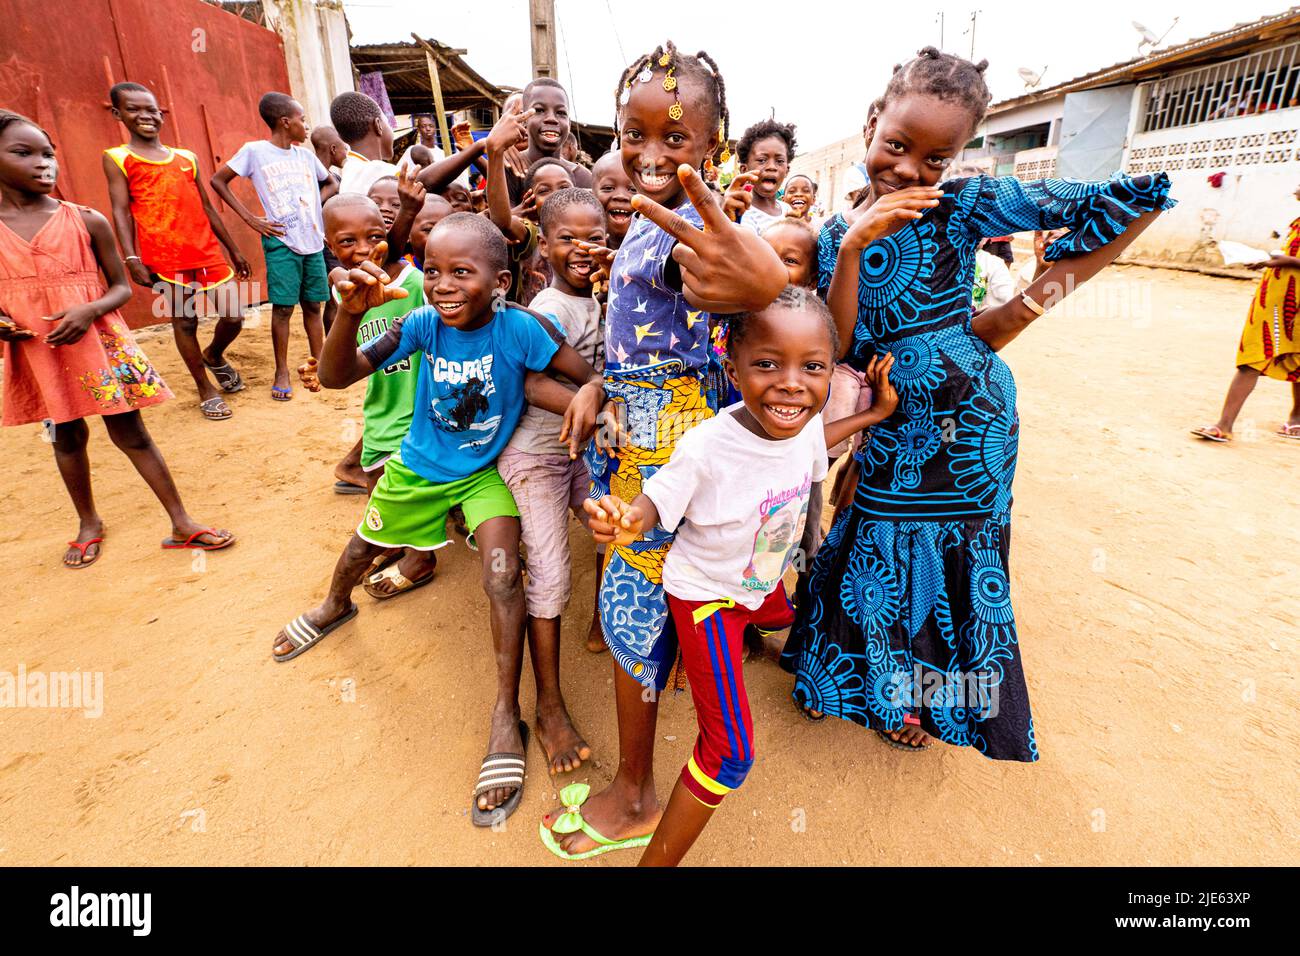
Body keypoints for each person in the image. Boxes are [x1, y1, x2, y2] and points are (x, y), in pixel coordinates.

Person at [781, 47, 1173, 752]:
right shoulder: (836, 235)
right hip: (894, 416)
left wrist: (1036, 301)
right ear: (872, 123)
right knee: (872, 543)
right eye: (897, 146)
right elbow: (836, 346)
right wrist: (851, 249)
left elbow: (1121, 202)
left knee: (949, 569)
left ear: (958, 158)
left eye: (936, 158)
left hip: (973, 424)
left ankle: (921, 705)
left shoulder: (963, 205)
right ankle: (844, 676)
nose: (910, 170)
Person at [538, 40, 788, 860]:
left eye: (674, 139)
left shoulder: (700, 227)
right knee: (648, 603)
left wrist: (758, 284)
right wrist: (599, 387)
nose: (649, 156)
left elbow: (748, 283)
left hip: (672, 456)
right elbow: (645, 342)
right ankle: (639, 777)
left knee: (634, 609)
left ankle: (637, 794)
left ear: (711, 147)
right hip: (639, 436)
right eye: (633, 134)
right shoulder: (651, 221)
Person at [273, 212, 605, 825]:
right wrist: (348, 313)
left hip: (483, 474)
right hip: (420, 467)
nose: (444, 284)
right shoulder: (422, 322)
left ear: (501, 280)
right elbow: (337, 373)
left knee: (505, 574)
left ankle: (508, 714)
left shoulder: (522, 329)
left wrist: (592, 392)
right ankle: (334, 605)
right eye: (433, 271)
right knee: (359, 552)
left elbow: (587, 379)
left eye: (462, 272)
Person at [563, 289, 897, 865]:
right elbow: (654, 502)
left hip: (758, 585)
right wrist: (626, 519)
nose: (792, 383)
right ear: (731, 362)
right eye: (767, 363)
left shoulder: (803, 427)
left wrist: (874, 415)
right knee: (729, 754)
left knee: (791, 617)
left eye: (812, 366)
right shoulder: (707, 445)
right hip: (707, 600)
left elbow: (821, 441)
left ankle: (762, 640)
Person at [0, 110, 235, 568]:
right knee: (66, 437)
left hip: (97, 347)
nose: (43, 163)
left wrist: (89, 309)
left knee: (132, 432)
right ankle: (88, 522)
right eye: (23, 153)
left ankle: (181, 522)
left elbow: (121, 287)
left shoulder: (85, 221)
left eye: (48, 154)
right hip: (40, 351)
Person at [496, 186, 607, 754]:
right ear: (544, 247)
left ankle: (604, 625)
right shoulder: (548, 308)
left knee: (616, 530)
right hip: (538, 457)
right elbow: (532, 384)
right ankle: (549, 707)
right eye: (568, 238)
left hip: (578, 453)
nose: (584, 249)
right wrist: (600, 404)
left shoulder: (603, 299)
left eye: (597, 238)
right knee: (552, 577)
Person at [101, 82, 251, 421]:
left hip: (207, 251)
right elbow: (121, 211)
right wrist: (132, 258)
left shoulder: (186, 158)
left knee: (233, 315)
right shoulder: (118, 158)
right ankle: (205, 389)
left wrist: (233, 249)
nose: (146, 116)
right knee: (185, 322)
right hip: (165, 259)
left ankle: (214, 355)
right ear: (117, 114)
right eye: (134, 109)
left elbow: (208, 209)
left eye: (152, 109)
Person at [210, 91, 333, 403]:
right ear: (285, 121)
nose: (306, 126)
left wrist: (313, 210)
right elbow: (218, 181)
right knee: (282, 308)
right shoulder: (255, 152)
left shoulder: (305, 157)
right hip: (281, 241)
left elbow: (331, 182)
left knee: (313, 306)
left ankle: (321, 362)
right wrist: (251, 219)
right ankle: (282, 371)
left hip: (312, 240)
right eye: (302, 120)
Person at [1192, 183, 1300, 442]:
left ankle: (1297, 419)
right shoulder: (1297, 221)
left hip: (1295, 305)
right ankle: (1224, 425)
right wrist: (1270, 260)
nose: (1296, 187)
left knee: (1297, 358)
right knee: (1252, 355)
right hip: (1273, 300)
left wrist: (1281, 260)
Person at [504, 78, 592, 205]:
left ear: (569, 122)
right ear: (524, 118)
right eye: (539, 110)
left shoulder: (582, 177)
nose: (551, 119)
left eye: (561, 113)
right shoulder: (510, 169)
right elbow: (498, 221)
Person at [330, 92, 398, 197]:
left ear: (341, 137)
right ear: (378, 125)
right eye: (388, 123)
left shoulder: (351, 171)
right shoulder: (382, 172)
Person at [734, 119, 797, 233]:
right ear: (744, 169)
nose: (771, 167)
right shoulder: (742, 212)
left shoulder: (788, 211)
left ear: (787, 170)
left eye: (780, 161)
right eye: (762, 160)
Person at [591, 149, 635, 249]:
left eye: (633, 189)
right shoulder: (582, 255)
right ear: (592, 196)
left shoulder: (664, 256)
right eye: (608, 188)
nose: (621, 196)